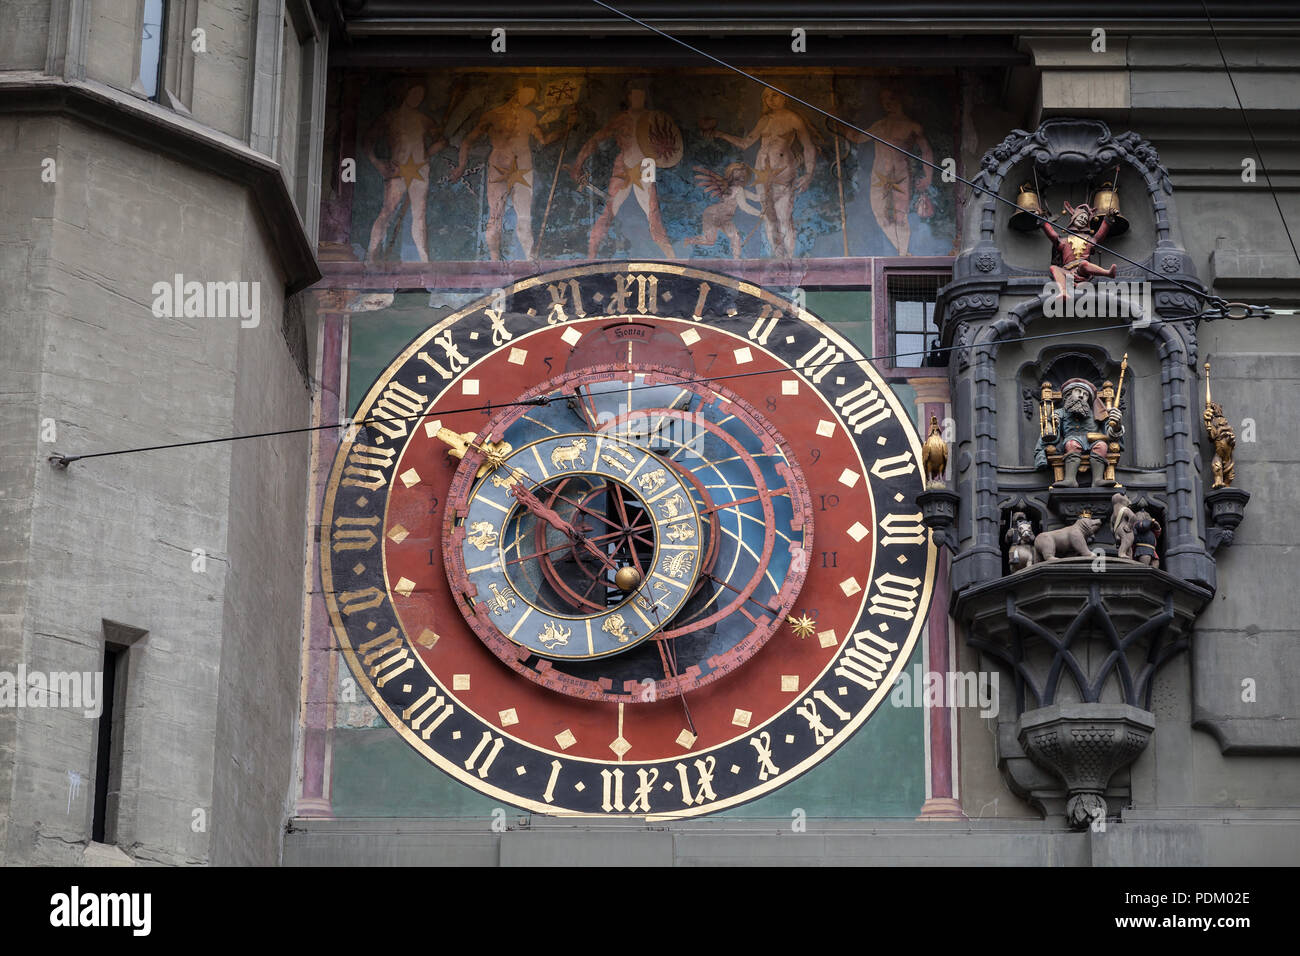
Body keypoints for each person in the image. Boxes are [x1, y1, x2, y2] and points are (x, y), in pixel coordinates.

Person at [447, 84, 572, 260]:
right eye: (527, 93)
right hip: (499, 165)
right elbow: (468, 141)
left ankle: (530, 260)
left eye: (532, 96)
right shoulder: (492, 115)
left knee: (524, 216)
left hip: (523, 166)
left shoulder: (529, 117)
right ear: (516, 92)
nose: (529, 99)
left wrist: (566, 128)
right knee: (495, 215)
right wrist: (461, 166)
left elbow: (543, 140)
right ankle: (494, 261)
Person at [568, 87, 676, 259]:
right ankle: (591, 256)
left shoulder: (653, 119)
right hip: (623, 166)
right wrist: (578, 164)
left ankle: (672, 257)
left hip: (646, 166)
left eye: (641, 93)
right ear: (629, 97)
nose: (639, 97)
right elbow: (596, 139)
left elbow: (668, 145)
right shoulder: (621, 119)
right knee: (609, 211)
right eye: (635, 93)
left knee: (654, 212)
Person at [707, 88, 816, 258]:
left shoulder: (793, 119)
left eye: (775, 95)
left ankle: (790, 259)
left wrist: (809, 174)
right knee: (769, 219)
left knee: (784, 218)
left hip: (783, 174)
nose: (770, 100)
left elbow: (808, 147)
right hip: (762, 175)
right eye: (766, 97)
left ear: (784, 97)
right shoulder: (765, 120)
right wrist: (720, 134)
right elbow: (745, 143)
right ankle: (778, 258)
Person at [829, 88, 933, 255]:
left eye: (891, 99)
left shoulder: (912, 127)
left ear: (900, 99)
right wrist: (838, 122)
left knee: (900, 216)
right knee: (881, 216)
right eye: (884, 101)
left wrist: (928, 176)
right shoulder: (880, 126)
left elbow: (926, 151)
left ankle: (903, 253)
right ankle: (900, 251)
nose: (887, 104)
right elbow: (857, 138)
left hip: (901, 176)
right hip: (879, 177)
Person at [363, 84, 446, 262]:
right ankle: (371, 254)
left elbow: (441, 140)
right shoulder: (390, 117)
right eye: (415, 92)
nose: (417, 98)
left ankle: (424, 259)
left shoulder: (424, 119)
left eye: (421, 95)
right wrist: (377, 163)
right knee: (387, 211)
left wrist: (426, 154)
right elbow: (368, 140)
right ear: (406, 93)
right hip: (398, 170)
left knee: (419, 215)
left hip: (420, 171)